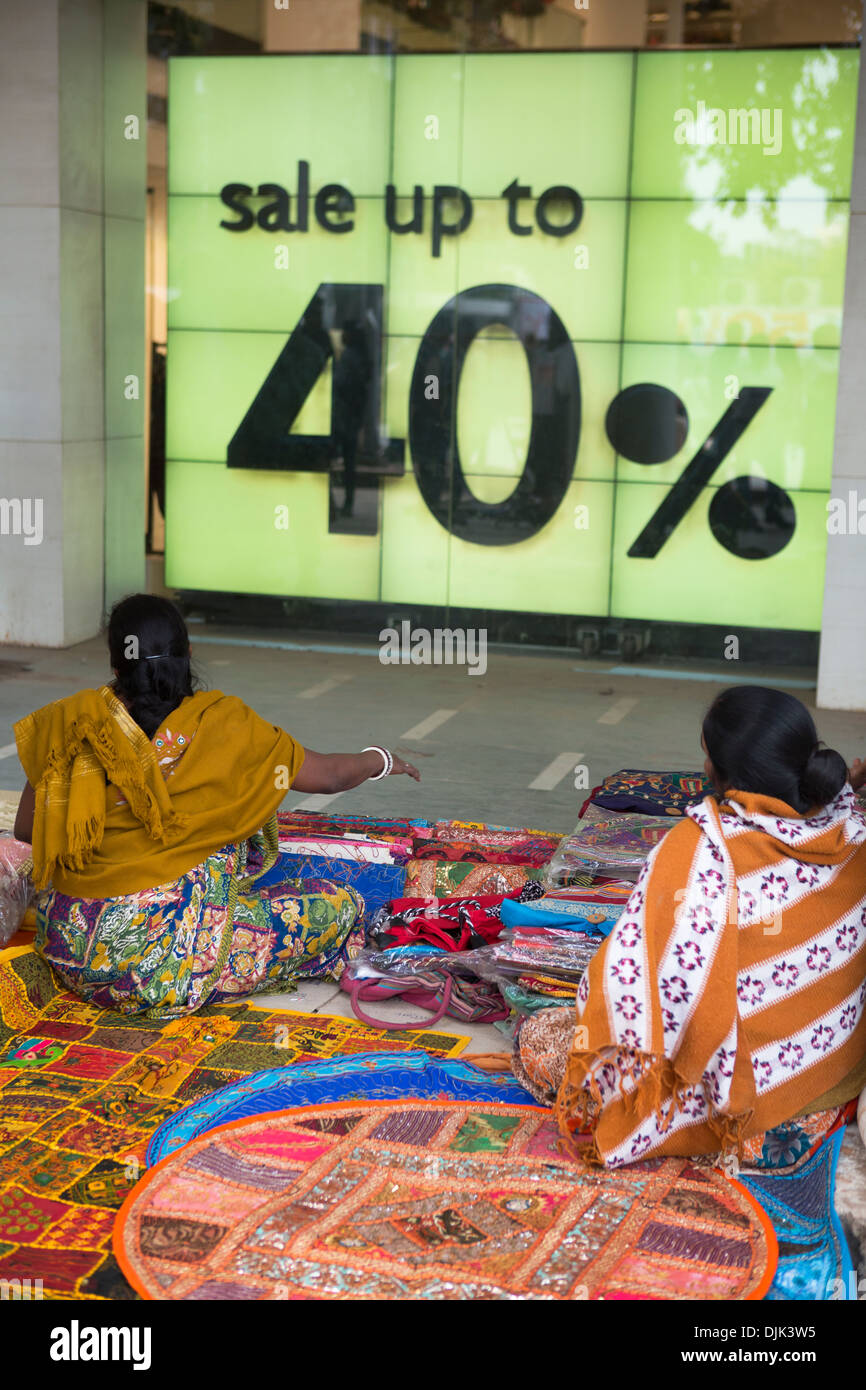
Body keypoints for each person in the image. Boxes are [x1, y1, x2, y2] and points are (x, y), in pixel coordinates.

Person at [12, 594, 419, 1020]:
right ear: (187, 655)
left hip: (70, 951)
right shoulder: (224, 724)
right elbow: (330, 776)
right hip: (158, 971)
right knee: (338, 906)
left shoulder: (75, 724)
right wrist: (381, 759)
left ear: (116, 665)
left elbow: (26, 828)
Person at [513, 686, 866, 1167]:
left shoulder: (701, 852)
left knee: (547, 1035)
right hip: (829, 1085)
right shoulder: (849, 832)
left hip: (747, 1116)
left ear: (722, 771)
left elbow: (634, 989)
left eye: (706, 756)